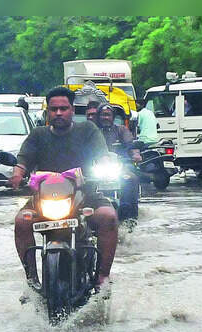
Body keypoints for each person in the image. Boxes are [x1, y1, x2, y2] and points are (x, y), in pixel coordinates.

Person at [7, 86, 119, 289]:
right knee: (21, 221)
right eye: (53, 109)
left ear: (72, 110)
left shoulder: (88, 130)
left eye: (63, 108)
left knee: (109, 217)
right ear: (47, 112)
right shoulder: (38, 135)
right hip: (44, 199)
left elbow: (101, 154)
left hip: (85, 195)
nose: (58, 113)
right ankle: (31, 279)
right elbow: (23, 160)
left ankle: (102, 277)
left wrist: (105, 166)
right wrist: (17, 174)